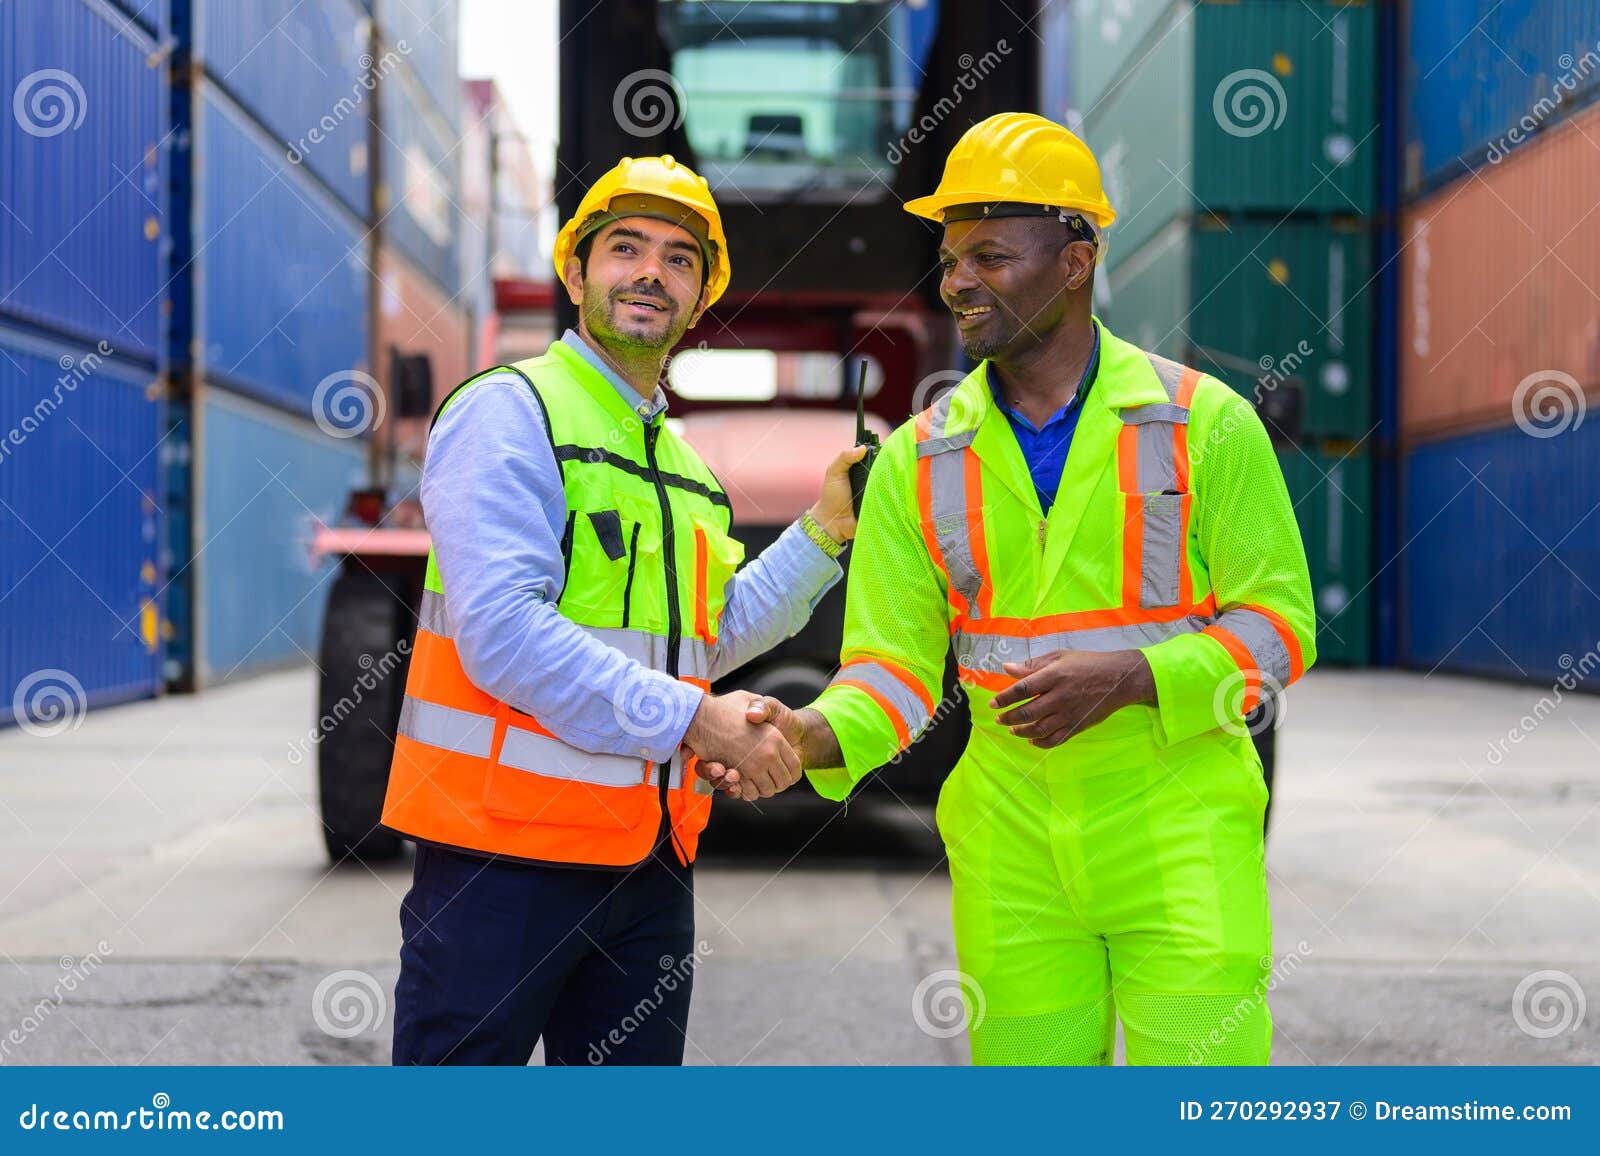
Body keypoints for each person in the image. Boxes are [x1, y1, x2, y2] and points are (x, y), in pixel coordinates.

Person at [701, 113, 1318, 1065]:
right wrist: (811, 734)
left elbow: (1280, 628)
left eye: (989, 255)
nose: (957, 283)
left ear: (1076, 263)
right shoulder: (917, 459)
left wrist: (1134, 677)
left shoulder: (1206, 423)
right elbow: (893, 671)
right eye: (951, 260)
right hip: (1009, 846)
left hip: (1181, 836)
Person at [383, 154, 864, 1065]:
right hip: (499, 867)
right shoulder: (510, 413)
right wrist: (699, 721)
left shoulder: (685, 472)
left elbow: (705, 638)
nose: (652, 272)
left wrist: (823, 535)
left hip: (647, 867)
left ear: (698, 297)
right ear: (575, 272)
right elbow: (504, 636)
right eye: (626, 248)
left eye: (681, 259)